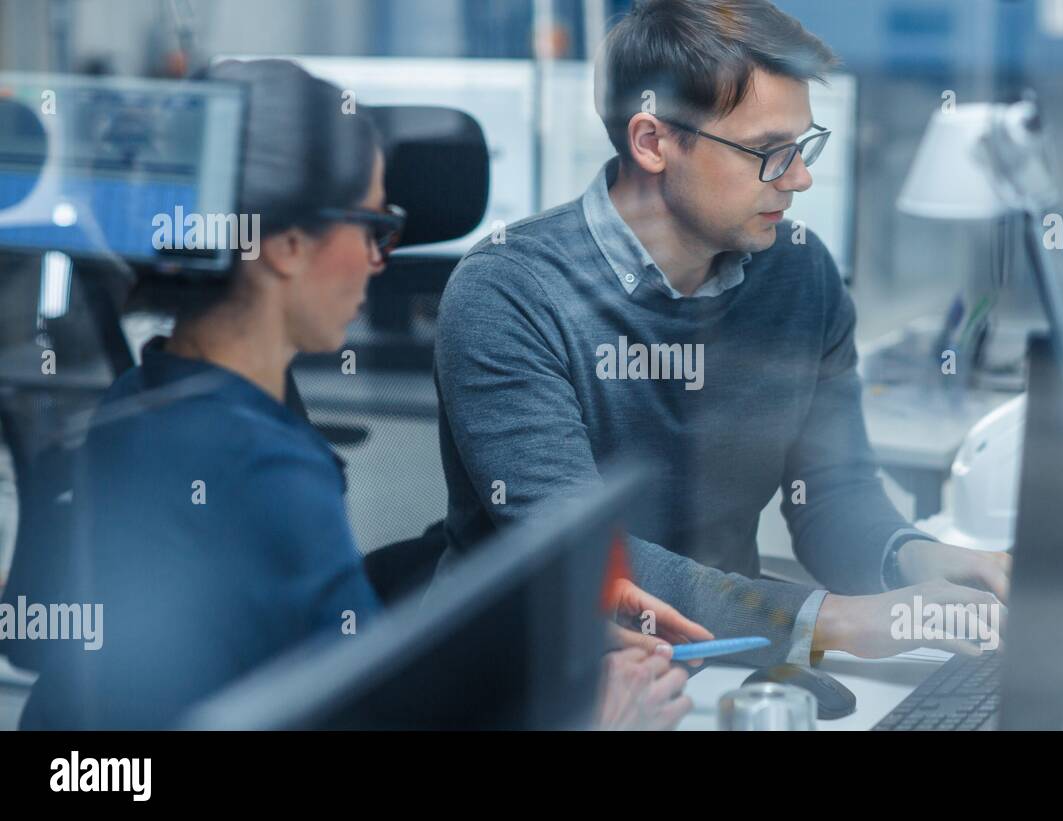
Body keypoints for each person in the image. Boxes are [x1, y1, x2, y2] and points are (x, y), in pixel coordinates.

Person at [20, 59, 692, 730]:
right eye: (373, 224)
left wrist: (533, 630)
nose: (381, 257)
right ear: (285, 244)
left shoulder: (142, 401)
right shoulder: (267, 470)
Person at [434, 0, 1009, 670]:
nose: (799, 177)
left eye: (802, 146)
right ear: (652, 142)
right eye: (768, 152)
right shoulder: (510, 292)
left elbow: (833, 495)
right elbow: (585, 557)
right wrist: (837, 620)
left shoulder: (799, 272)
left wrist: (919, 559)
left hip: (728, 657)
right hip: (538, 678)